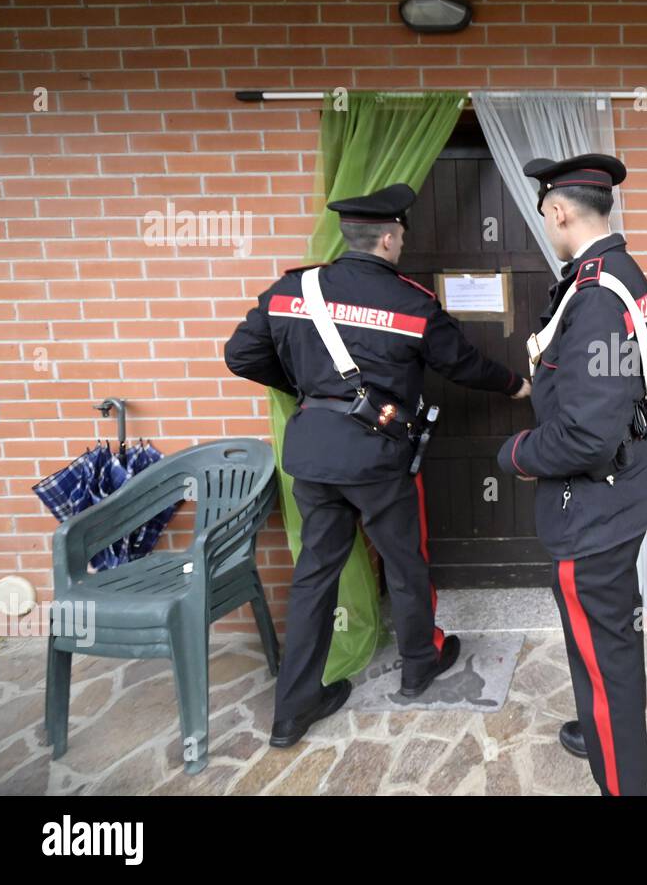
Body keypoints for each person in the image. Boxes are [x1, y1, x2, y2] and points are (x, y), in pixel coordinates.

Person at [224, 182, 530, 748]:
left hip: (313, 458)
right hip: (379, 458)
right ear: (390, 237)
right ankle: (419, 663)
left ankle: (293, 709)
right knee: (405, 562)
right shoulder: (410, 302)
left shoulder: (293, 288)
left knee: (315, 575)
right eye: (401, 235)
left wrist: (314, 393)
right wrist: (516, 384)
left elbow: (239, 354)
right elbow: (461, 363)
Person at [497, 154, 647, 796]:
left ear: (558, 210)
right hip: (624, 492)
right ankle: (606, 726)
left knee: (604, 648)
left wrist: (514, 455)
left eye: (545, 212)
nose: (547, 221)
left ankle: (623, 777)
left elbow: (589, 435)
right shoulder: (614, 272)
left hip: (594, 508)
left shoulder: (595, 295)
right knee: (611, 638)